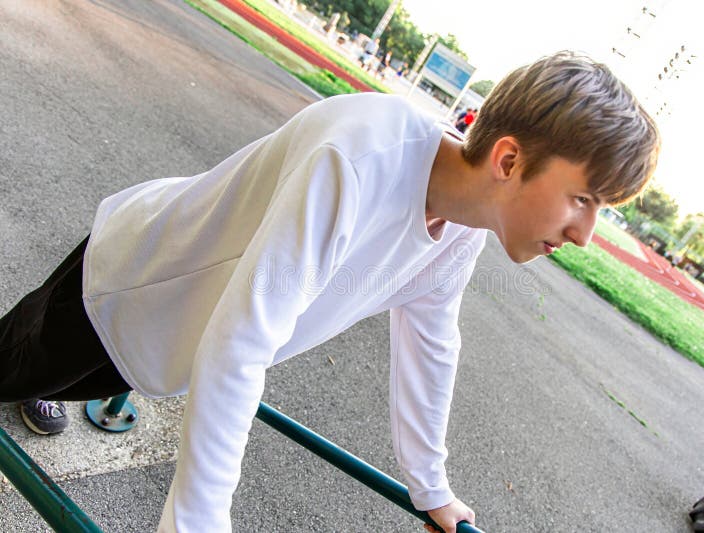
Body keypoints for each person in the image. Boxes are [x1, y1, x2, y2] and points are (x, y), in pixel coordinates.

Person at [0, 51, 659, 533]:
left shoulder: (463, 231)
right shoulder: (360, 155)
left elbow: (433, 347)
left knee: (58, 373)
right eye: (583, 199)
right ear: (510, 161)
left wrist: (430, 485)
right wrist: (196, 521)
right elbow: (240, 344)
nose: (585, 234)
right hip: (124, 290)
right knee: (14, 366)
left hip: (172, 335)